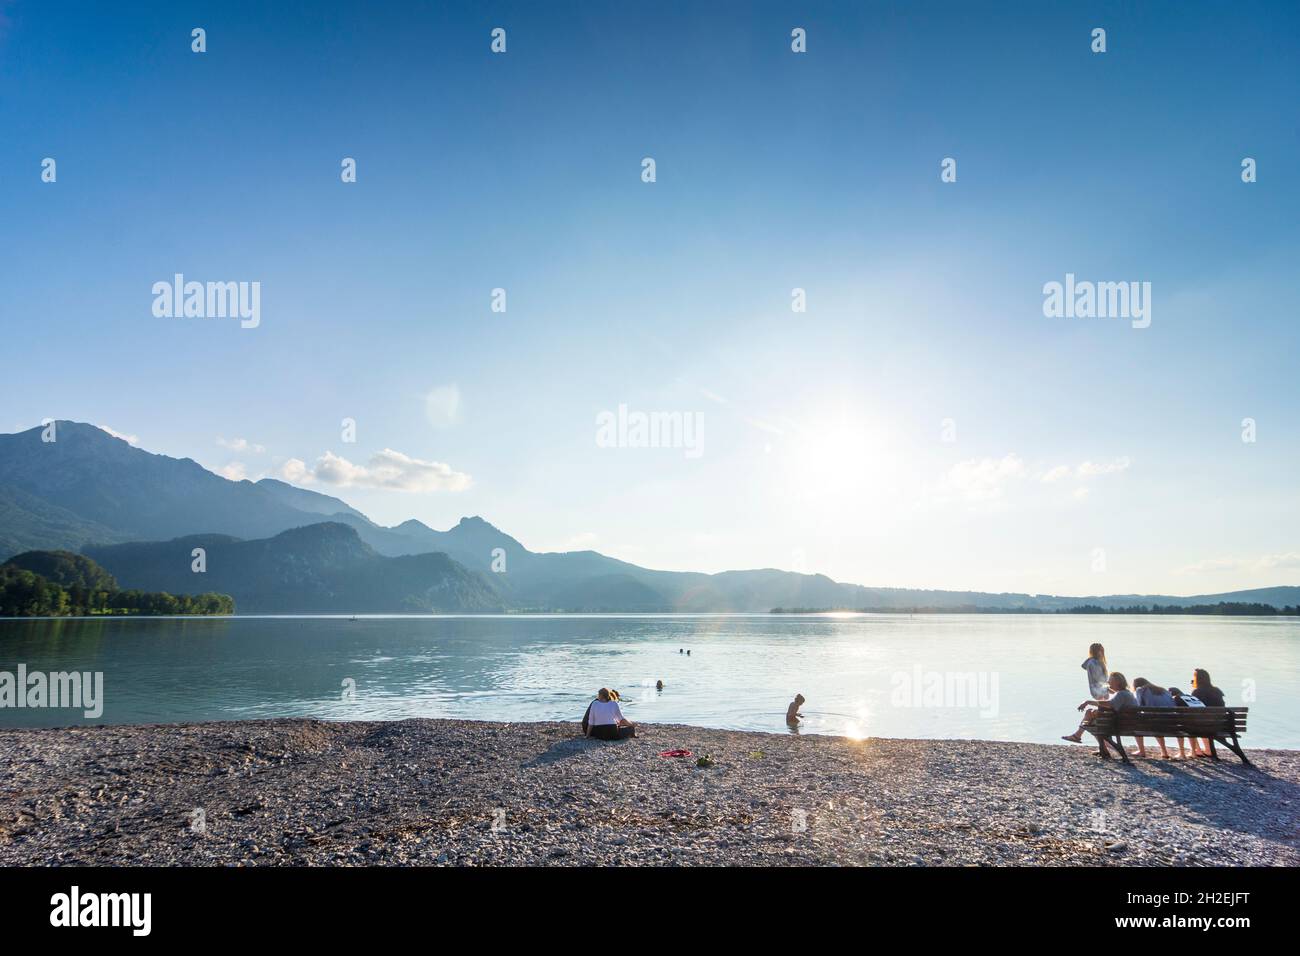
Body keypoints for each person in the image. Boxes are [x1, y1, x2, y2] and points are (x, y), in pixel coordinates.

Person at [1062, 672, 1137, 745]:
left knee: (1091, 718)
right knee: (1091, 716)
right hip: (1127, 722)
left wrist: (1088, 702)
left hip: (1120, 724)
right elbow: (1113, 702)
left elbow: (1109, 704)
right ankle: (1078, 736)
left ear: (1117, 682)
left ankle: (1078, 736)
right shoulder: (1126, 693)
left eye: (1110, 680)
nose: (1108, 682)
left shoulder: (1121, 694)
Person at [1131, 677, 1175, 758]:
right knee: (1155, 720)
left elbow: (1137, 706)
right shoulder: (1163, 690)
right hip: (1172, 722)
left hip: (1155, 721)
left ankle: (1141, 751)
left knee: (1137, 723)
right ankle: (1164, 751)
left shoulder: (1140, 690)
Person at [1190, 669, 1226, 756]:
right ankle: (1208, 750)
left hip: (1204, 726)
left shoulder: (1197, 692)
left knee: (1190, 723)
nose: (1192, 681)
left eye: (1193, 679)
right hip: (1220, 726)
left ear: (1197, 680)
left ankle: (1196, 751)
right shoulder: (1217, 691)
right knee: (1203, 721)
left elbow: (1192, 710)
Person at [1169, 686, 1207, 757]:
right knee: (1190, 725)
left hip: (1190, 725)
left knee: (1180, 726)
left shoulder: (1176, 698)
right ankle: (1195, 751)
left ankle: (1182, 753)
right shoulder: (1191, 697)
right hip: (1205, 724)